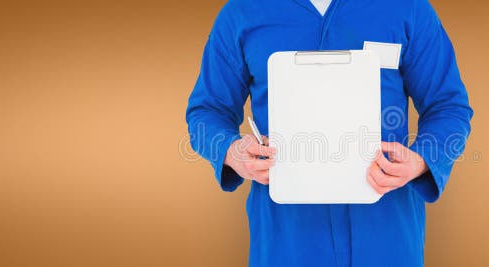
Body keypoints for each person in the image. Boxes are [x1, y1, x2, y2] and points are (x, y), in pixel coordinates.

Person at [185, 0, 473, 266]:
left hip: (387, 238)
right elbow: (207, 112)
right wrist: (230, 151)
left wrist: (422, 160)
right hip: (286, 243)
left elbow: (449, 107)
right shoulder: (242, 12)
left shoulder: (406, 7)